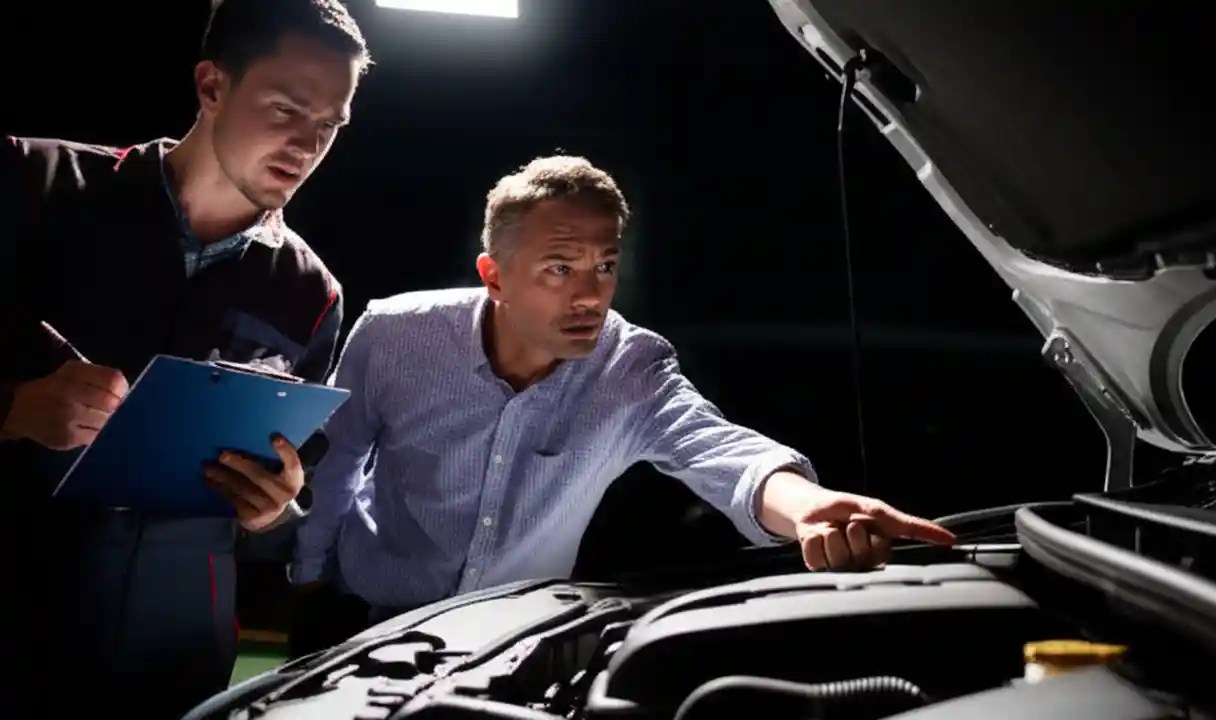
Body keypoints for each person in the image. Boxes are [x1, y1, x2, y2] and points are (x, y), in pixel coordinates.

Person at [288, 155, 956, 651]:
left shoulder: (630, 367)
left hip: (517, 640)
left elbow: (720, 452)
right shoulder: (395, 334)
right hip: (373, 623)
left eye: (604, 266)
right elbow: (339, 460)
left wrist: (810, 508)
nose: (590, 295)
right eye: (560, 267)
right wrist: (308, 581)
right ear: (494, 274)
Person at [0, 0, 370, 716]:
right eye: (286, 109)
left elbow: (282, 508)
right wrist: (11, 409)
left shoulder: (313, 294)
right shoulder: (30, 183)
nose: (307, 144)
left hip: (175, 659)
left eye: (329, 126)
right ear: (211, 86)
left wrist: (274, 512)